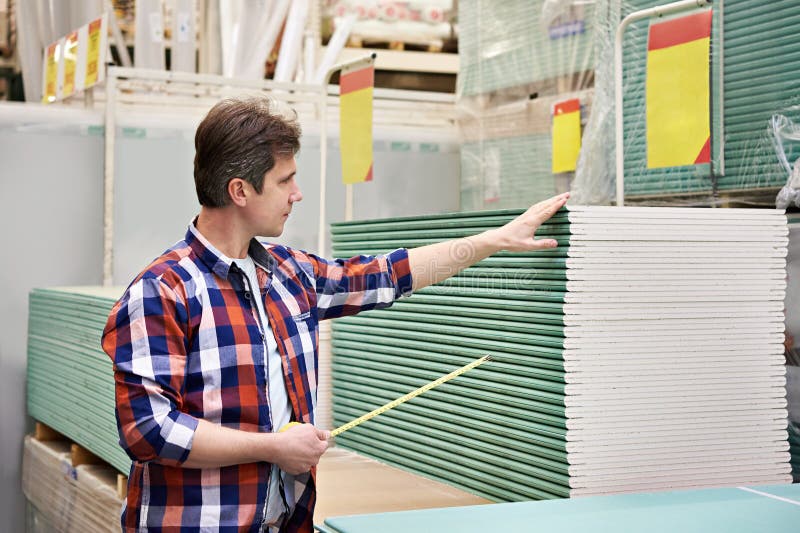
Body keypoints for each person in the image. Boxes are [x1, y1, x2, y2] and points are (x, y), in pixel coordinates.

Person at [101, 96, 570, 533]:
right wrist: (273, 447)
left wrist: (495, 240)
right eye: (285, 180)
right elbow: (150, 431)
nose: (297, 193)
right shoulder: (162, 292)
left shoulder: (289, 274)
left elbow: (390, 273)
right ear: (239, 190)